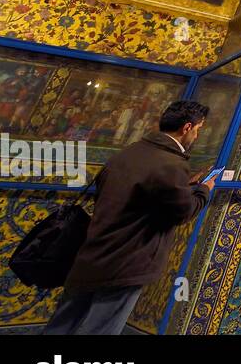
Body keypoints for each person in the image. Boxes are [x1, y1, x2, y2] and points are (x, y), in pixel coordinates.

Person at [43, 100, 215, 335]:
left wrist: (180, 186)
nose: (196, 136)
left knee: (63, 323)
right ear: (187, 127)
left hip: (93, 253)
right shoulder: (171, 164)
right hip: (128, 262)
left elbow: (128, 194)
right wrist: (204, 190)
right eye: (197, 129)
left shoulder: (129, 152)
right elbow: (183, 211)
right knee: (101, 328)